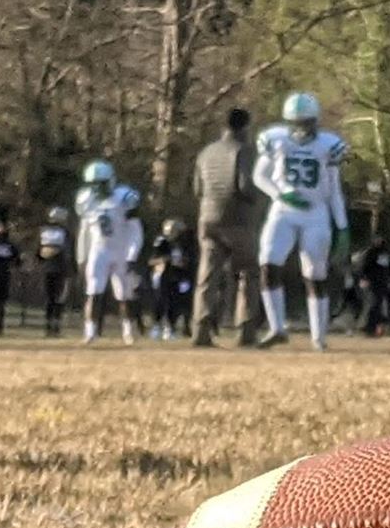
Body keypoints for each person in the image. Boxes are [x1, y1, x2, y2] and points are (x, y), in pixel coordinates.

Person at [254, 91, 350, 351]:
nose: (300, 128)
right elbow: (259, 176)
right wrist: (280, 193)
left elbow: (333, 190)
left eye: (305, 122)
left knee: (314, 273)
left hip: (316, 213)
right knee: (268, 263)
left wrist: (342, 227)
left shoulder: (328, 145)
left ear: (314, 120)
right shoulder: (274, 140)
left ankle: (318, 338)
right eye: (295, 122)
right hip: (283, 211)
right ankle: (277, 328)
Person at [192, 107, 261, 348]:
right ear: (245, 126)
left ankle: (201, 329)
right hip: (237, 218)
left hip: (207, 216)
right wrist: (261, 197)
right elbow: (245, 186)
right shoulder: (244, 150)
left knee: (207, 274)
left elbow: (197, 189)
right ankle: (246, 330)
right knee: (248, 272)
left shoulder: (206, 152)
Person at [74, 158, 144, 344]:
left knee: (124, 294)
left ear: (110, 181)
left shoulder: (124, 197)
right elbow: (84, 232)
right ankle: (90, 332)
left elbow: (135, 230)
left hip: (120, 250)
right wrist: (82, 256)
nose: (96, 188)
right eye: (93, 184)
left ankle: (128, 331)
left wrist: (132, 254)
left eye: (100, 183)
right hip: (99, 250)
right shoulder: (86, 200)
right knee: (93, 291)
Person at [149, 218, 195, 340]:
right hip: (162, 275)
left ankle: (171, 327)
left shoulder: (182, 244)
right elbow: (152, 261)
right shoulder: (161, 242)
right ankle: (156, 327)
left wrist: (183, 265)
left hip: (177, 275)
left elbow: (186, 261)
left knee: (175, 302)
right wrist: (165, 260)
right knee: (160, 302)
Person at [36, 205, 71, 337]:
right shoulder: (65, 233)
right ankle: (55, 326)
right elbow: (68, 252)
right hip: (60, 268)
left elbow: (38, 252)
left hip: (46, 269)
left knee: (49, 299)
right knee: (58, 299)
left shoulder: (43, 231)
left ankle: (48, 326)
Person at [360, 236, 390, 335]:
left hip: (382, 282)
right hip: (372, 282)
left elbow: (388, 267)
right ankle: (369, 327)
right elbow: (363, 267)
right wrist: (364, 278)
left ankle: (376, 327)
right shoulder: (370, 253)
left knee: (379, 305)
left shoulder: (385, 253)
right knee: (374, 303)